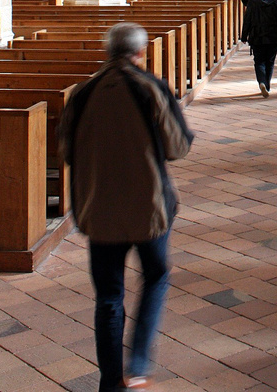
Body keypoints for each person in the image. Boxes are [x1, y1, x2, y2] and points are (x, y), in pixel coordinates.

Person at [57, 22, 193, 392]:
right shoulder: (150, 87)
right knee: (156, 276)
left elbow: (66, 151)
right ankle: (137, 365)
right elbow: (178, 147)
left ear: (107, 51)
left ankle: (110, 382)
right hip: (148, 206)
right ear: (141, 52)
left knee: (108, 298)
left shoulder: (82, 93)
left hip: (98, 206)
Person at [241, 0, 277, 97]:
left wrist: (244, 36)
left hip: (257, 35)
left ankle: (261, 82)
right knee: (270, 61)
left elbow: (247, 19)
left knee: (259, 60)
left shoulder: (253, 0)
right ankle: (267, 84)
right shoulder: (275, 0)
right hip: (272, 35)